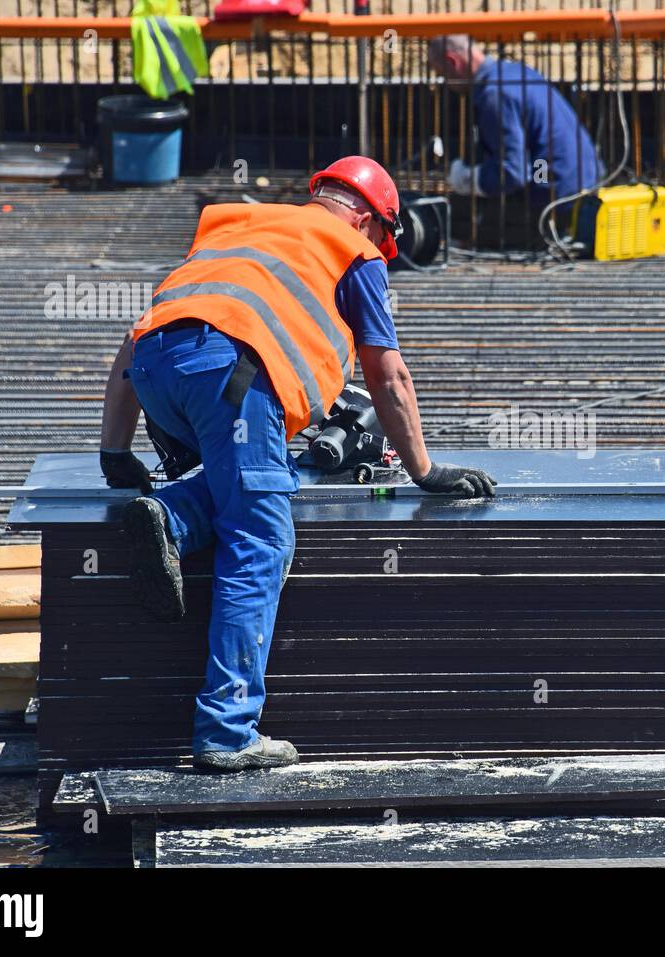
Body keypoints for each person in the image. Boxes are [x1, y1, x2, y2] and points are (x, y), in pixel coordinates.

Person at [98, 156, 497, 771]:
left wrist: (115, 450)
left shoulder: (241, 228)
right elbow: (387, 377)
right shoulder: (351, 251)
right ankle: (227, 734)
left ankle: (172, 516)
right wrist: (423, 469)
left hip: (158, 376)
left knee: (251, 481)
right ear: (367, 220)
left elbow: (133, 342)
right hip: (232, 379)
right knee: (260, 536)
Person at [428, 34, 605, 248]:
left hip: (556, 200)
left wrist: (468, 180)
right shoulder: (516, 73)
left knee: (463, 233)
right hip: (589, 186)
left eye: (443, 74)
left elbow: (513, 173)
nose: (447, 83)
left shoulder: (494, 95)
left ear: (452, 61)